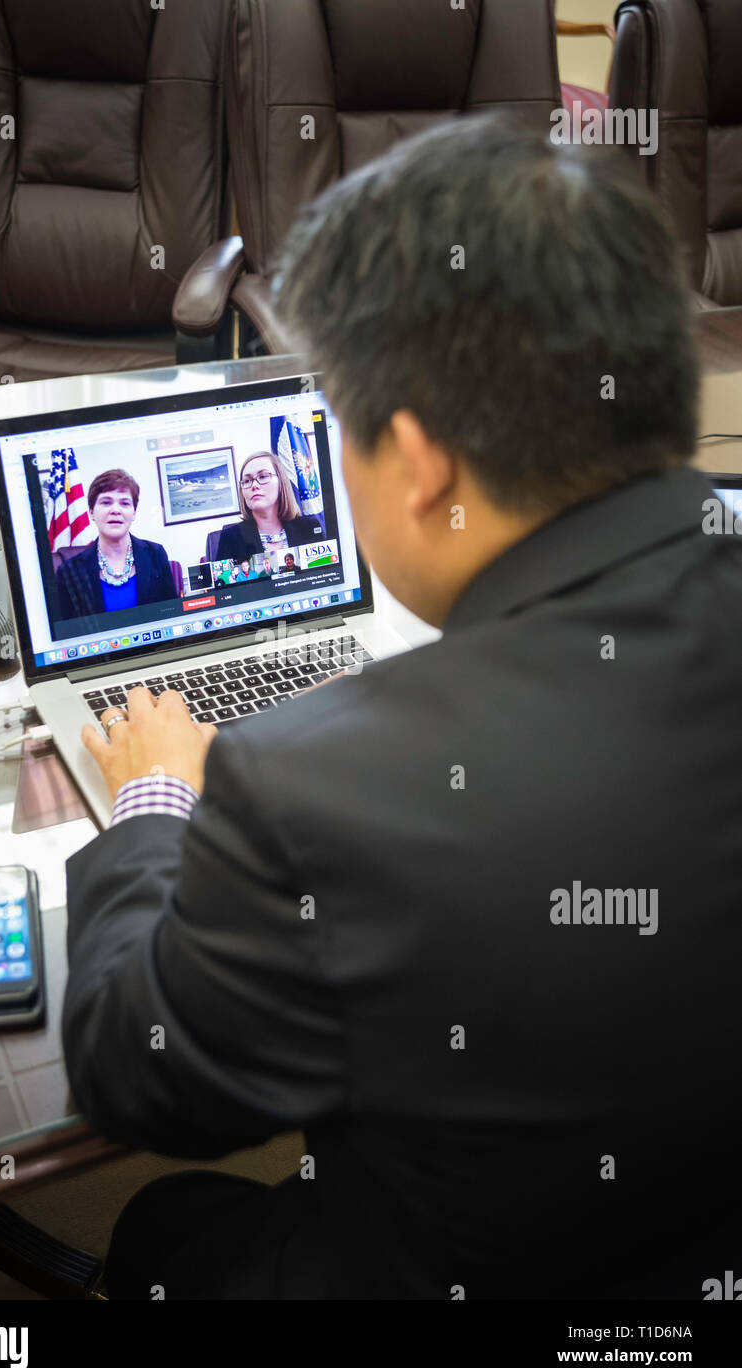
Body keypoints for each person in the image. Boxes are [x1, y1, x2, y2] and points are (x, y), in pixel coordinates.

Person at [62, 117, 742, 1299]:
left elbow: (138, 1071)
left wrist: (156, 797)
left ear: (419, 462)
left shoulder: (315, 787)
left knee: (166, 1227)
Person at [55, 469, 177, 620]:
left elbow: (172, 614)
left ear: (133, 513)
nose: (115, 510)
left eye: (125, 503)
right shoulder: (69, 571)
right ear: (91, 512)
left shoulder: (155, 554)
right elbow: (67, 631)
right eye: (106, 502)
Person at [214, 452, 324, 563]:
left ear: (281, 482)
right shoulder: (230, 538)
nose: (254, 485)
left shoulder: (310, 527)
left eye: (263, 476)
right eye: (247, 481)